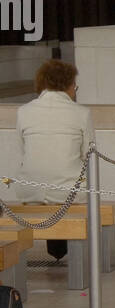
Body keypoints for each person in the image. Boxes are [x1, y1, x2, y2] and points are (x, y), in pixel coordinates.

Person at [12, 59, 94, 262]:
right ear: (68, 85)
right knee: (80, 186)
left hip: (30, 190)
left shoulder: (23, 112)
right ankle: (72, 258)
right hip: (69, 192)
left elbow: (23, 151)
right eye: (75, 85)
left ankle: (54, 250)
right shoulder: (82, 114)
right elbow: (89, 155)